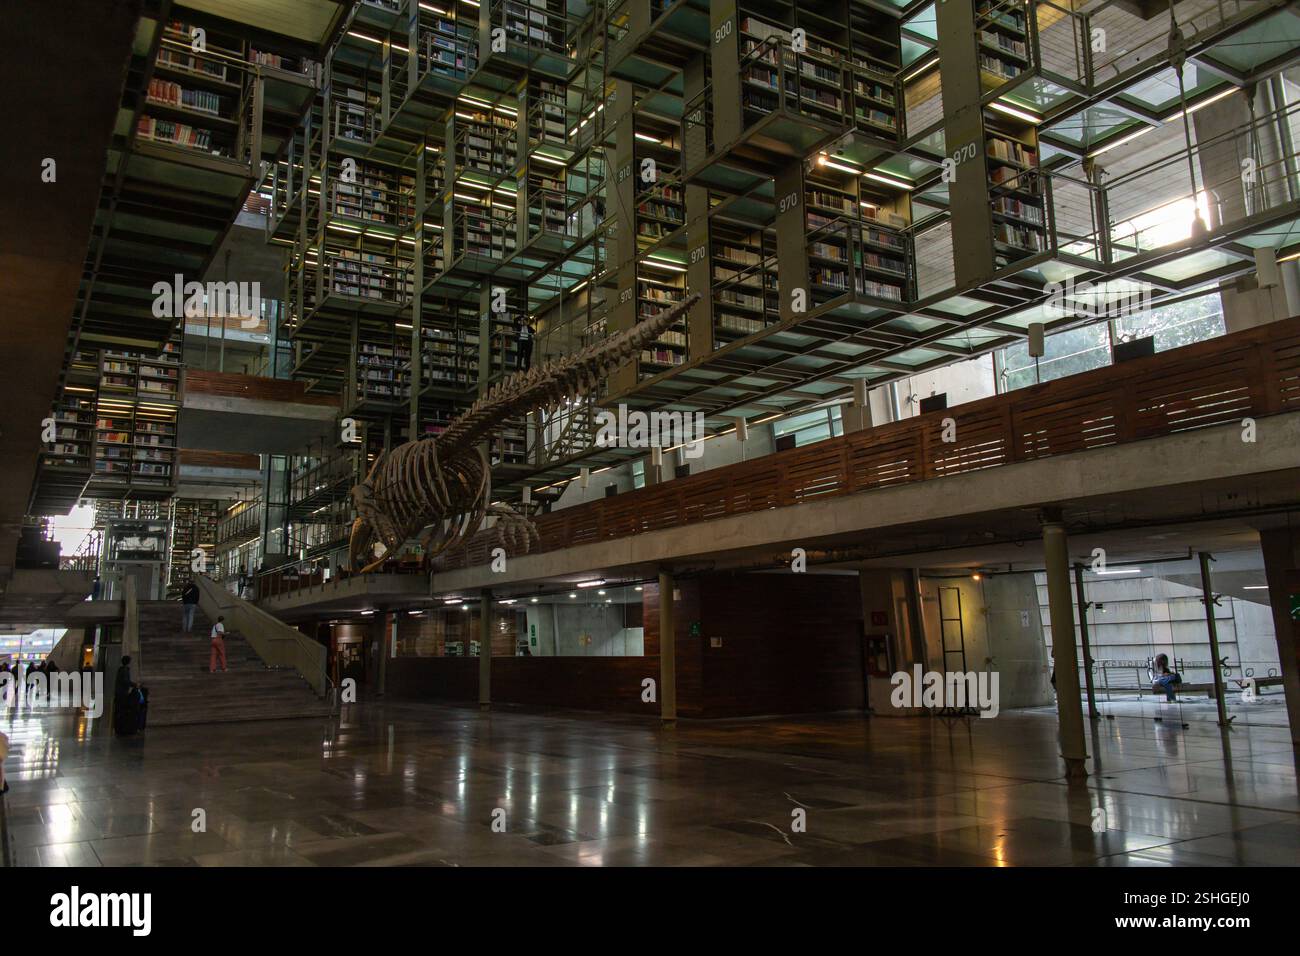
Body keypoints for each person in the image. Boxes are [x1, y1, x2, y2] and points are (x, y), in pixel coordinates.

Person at [114, 656, 141, 736]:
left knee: (120, 710)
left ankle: (119, 727)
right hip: (122, 693)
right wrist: (135, 685)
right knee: (122, 710)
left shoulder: (121, 669)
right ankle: (122, 727)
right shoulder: (125, 670)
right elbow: (125, 681)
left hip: (119, 692)